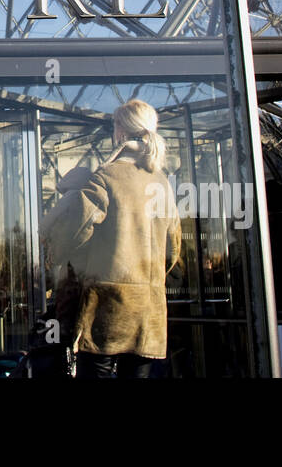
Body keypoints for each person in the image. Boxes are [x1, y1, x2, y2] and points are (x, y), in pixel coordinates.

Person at [42, 99, 182, 378]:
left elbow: (76, 233)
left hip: (108, 307)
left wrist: (55, 257)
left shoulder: (107, 177)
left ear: (121, 131)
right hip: (148, 308)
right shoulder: (162, 182)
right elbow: (173, 248)